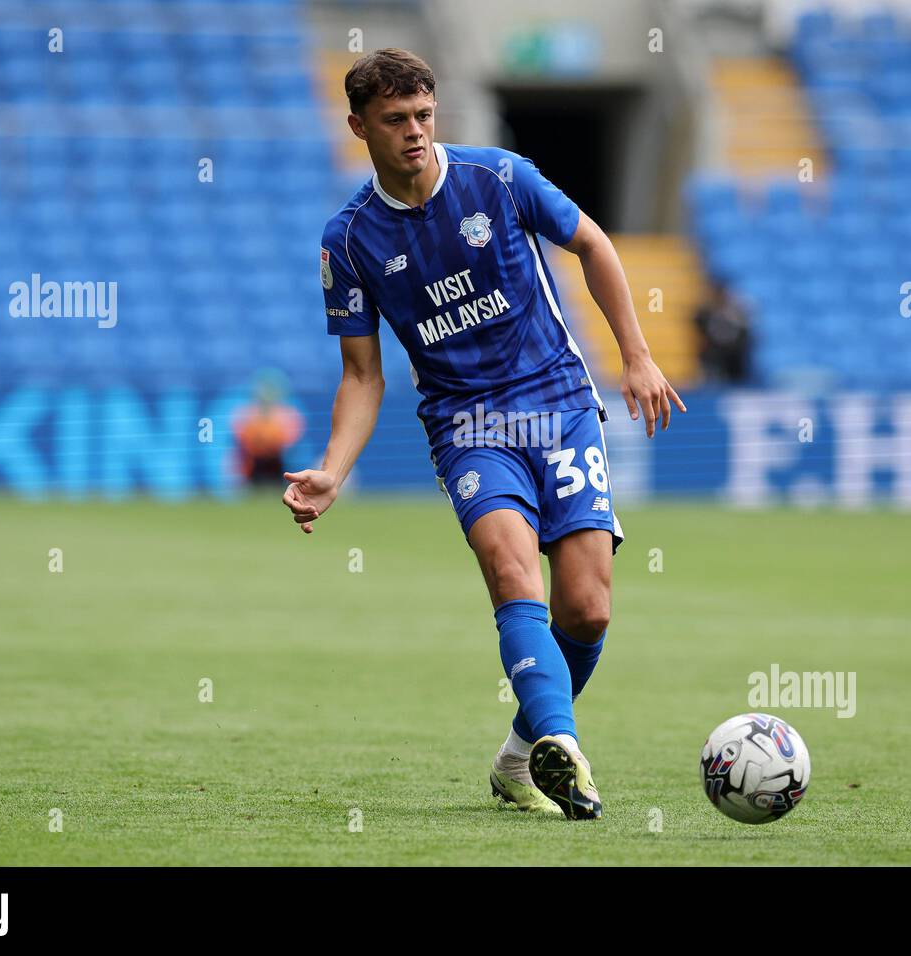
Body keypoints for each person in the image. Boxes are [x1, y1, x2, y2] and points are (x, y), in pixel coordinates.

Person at [284, 48, 684, 820]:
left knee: (589, 609)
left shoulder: (498, 178)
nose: (415, 134)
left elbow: (594, 242)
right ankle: (563, 749)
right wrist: (334, 468)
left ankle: (515, 759)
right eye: (396, 120)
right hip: (469, 427)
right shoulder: (350, 241)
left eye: (425, 117)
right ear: (358, 126)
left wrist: (635, 356)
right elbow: (364, 376)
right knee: (511, 572)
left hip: (560, 401)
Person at [233, 376, 305, 486]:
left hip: (277, 459)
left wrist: (270, 443)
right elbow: (242, 436)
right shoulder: (248, 413)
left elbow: (289, 438)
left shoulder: (285, 413)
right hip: (255, 460)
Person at [692, 278, 752, 383]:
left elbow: (745, 337)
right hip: (713, 359)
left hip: (733, 360)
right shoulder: (705, 313)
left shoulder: (737, 313)